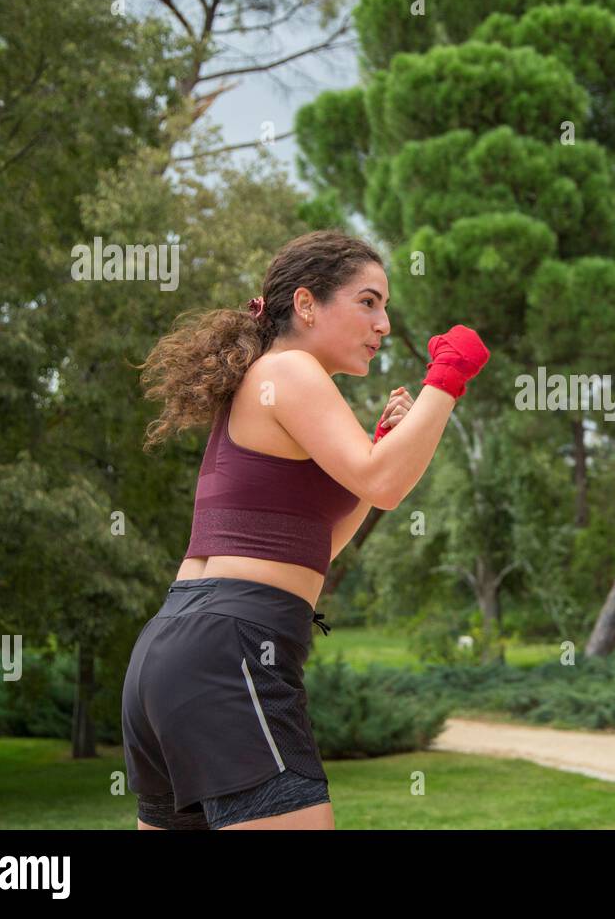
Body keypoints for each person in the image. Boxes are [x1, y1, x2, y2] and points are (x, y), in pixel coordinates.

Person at [122, 229, 490, 830]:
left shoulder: (262, 382)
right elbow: (388, 483)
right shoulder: (291, 369)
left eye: (385, 306)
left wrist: (380, 449)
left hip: (170, 654)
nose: (384, 324)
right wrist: (447, 377)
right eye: (368, 301)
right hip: (232, 646)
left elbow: (321, 542)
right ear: (306, 304)